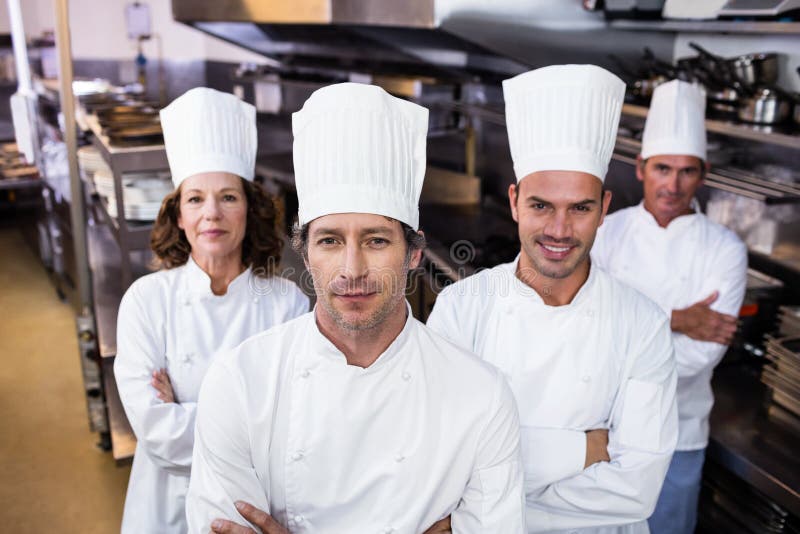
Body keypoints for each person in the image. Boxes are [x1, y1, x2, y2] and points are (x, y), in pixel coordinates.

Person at [185, 82, 526, 533]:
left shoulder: (481, 397)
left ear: (414, 252)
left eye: (376, 240)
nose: (352, 269)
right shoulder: (240, 383)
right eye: (330, 241)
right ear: (305, 253)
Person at [426, 65, 678, 533]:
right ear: (516, 201)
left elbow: (636, 489)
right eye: (542, 205)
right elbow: (440, 460)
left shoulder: (642, 324)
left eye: (580, 208)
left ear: (603, 209)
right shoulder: (462, 308)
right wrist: (585, 449)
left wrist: (487, 508)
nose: (559, 231)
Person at [113, 87, 309, 533]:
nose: (212, 214)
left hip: (251, 512)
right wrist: (252, 420)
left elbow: (295, 429)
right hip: (165, 509)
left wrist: (186, 409)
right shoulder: (146, 302)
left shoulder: (286, 304)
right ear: (178, 215)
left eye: (229, 197)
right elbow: (157, 435)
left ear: (249, 210)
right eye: (196, 198)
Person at [591, 79, 748, 534]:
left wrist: (615, 337)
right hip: (599, 432)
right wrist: (677, 319)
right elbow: (580, 326)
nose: (673, 185)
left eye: (686, 171)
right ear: (640, 167)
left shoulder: (725, 248)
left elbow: (702, 357)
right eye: (662, 168)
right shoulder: (605, 232)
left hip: (679, 435)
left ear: (703, 173)